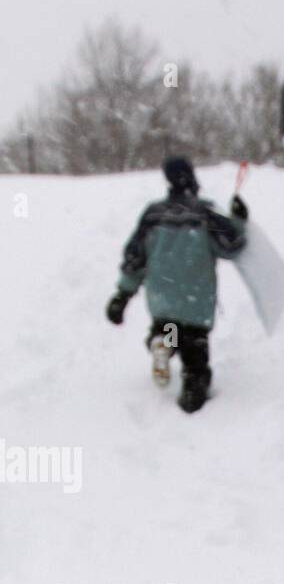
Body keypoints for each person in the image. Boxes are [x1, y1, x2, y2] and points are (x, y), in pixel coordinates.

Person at [105, 157, 247, 414]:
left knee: (169, 330)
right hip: (195, 299)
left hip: (164, 298)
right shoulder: (205, 215)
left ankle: (163, 342)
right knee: (195, 360)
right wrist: (238, 218)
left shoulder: (153, 214)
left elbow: (135, 258)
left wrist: (122, 295)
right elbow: (233, 245)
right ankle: (193, 402)